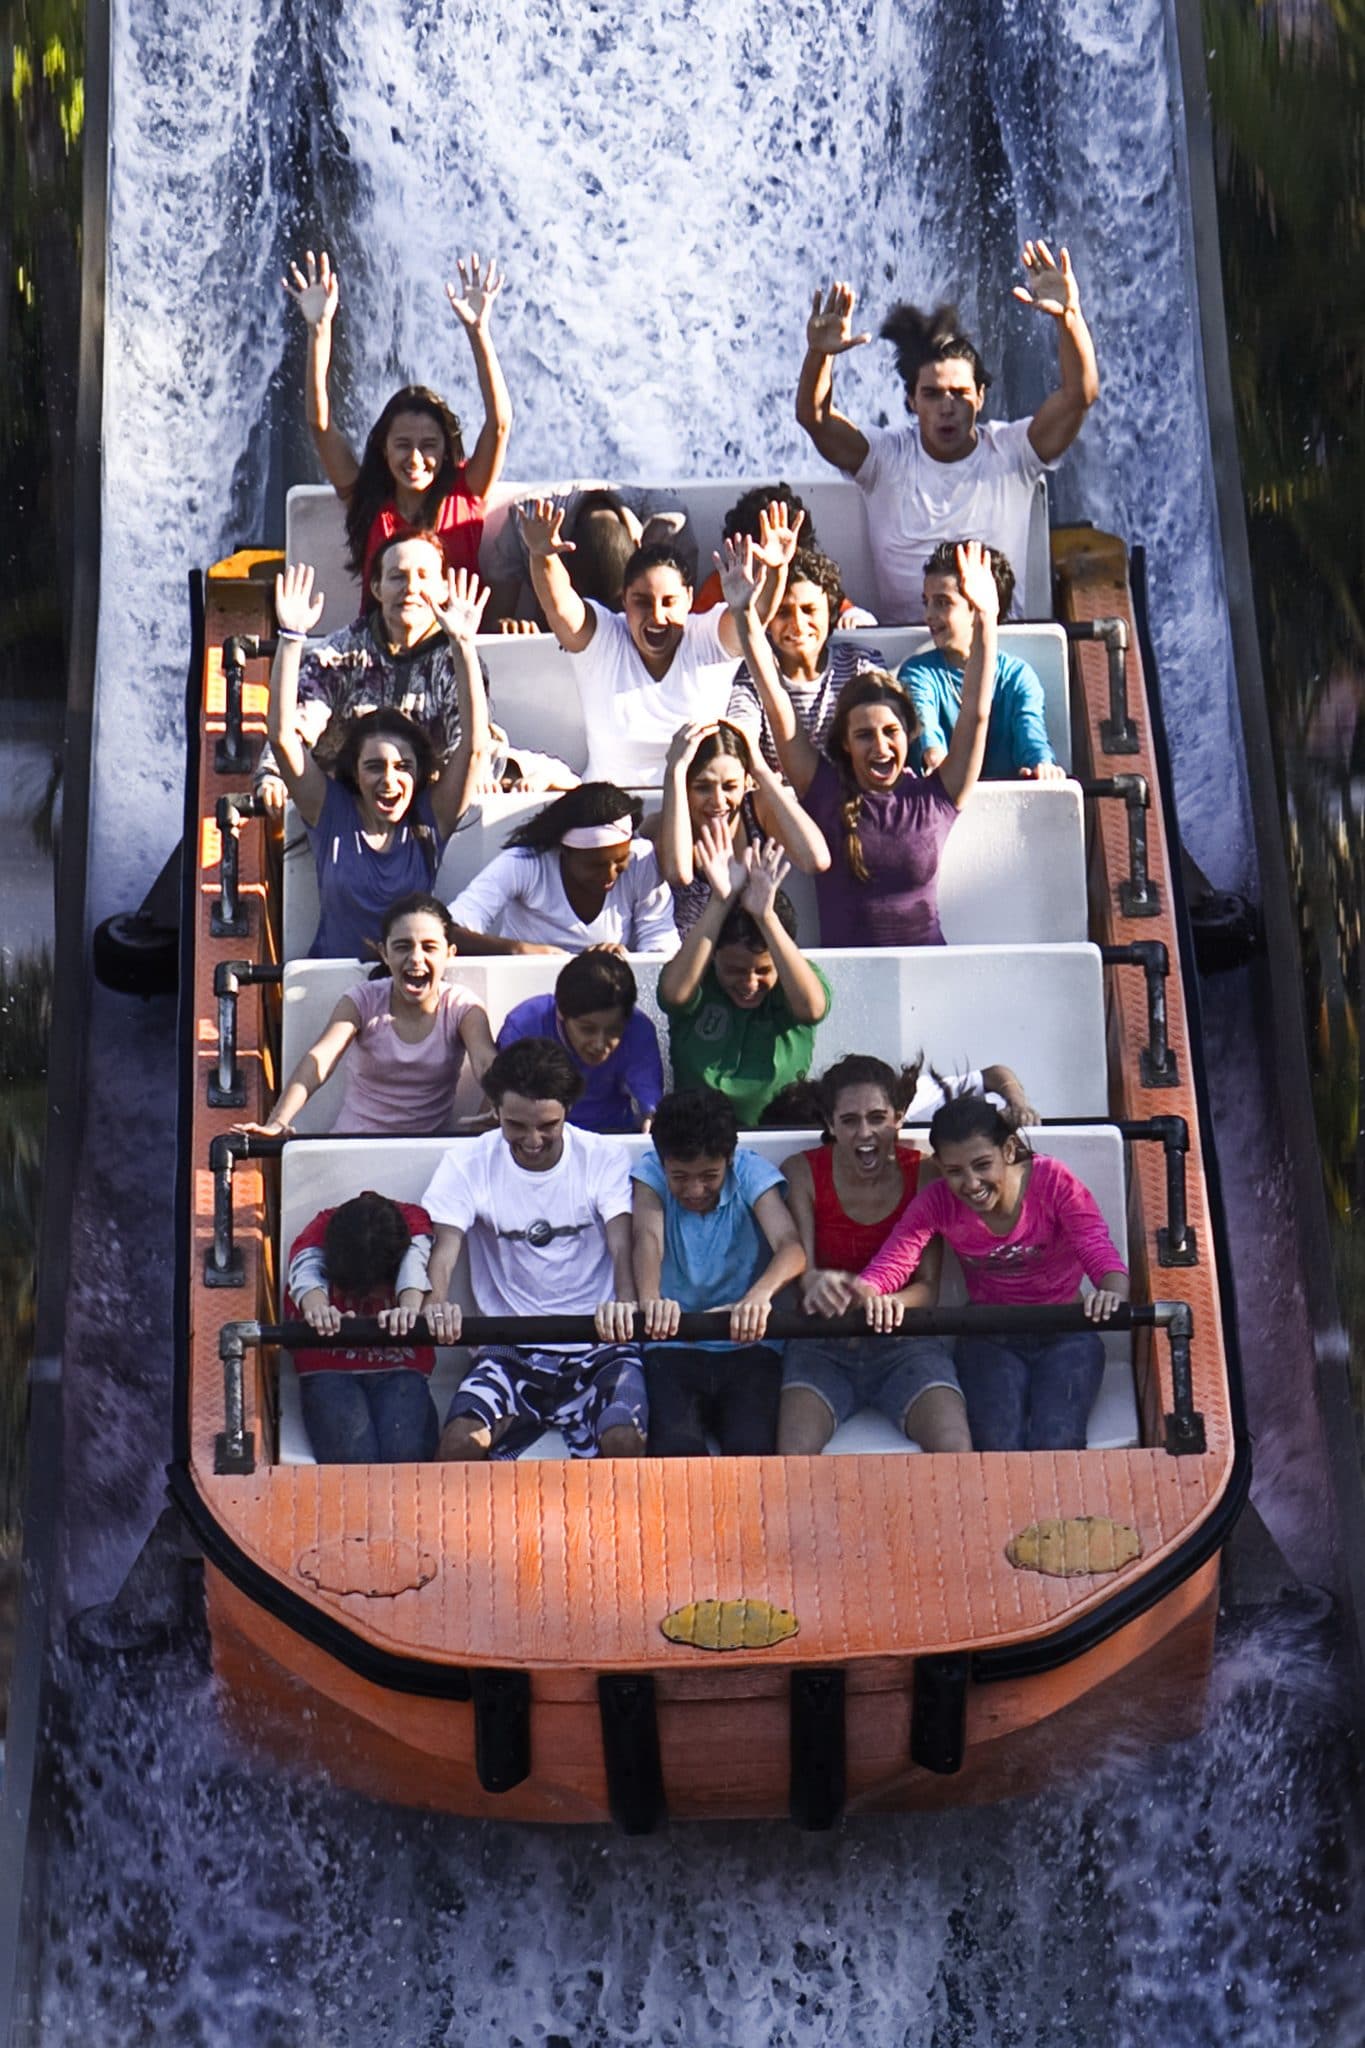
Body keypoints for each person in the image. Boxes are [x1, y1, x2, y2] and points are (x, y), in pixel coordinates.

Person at [795, 242, 1100, 622]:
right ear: (911, 401)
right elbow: (815, 418)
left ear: (981, 397)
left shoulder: (1013, 452)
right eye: (932, 394)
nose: (947, 407)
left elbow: (1079, 395)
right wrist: (819, 355)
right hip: (904, 655)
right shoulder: (886, 458)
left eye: (960, 393)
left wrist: (1069, 317)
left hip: (997, 643)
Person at [723, 535, 1000, 946]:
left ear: (908, 733)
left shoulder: (937, 795)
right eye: (864, 735)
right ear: (846, 744)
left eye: (890, 733)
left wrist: (986, 618)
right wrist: (744, 611)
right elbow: (773, 695)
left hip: (932, 973)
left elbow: (976, 710)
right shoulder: (823, 790)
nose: (880, 747)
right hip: (852, 980)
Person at [850, 1093, 1129, 1452]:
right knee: (996, 1444)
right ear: (940, 1167)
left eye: (982, 1165)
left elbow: (1097, 1249)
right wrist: (867, 1296)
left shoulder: (1054, 1181)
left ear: (1009, 1150)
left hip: (1066, 1331)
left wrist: (1113, 1294)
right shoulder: (937, 1201)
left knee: (1057, 1439)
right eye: (955, 1171)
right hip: (988, 1334)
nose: (970, 1183)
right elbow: (891, 1265)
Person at [421, 1038, 647, 1460]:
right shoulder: (466, 1163)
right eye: (516, 1126)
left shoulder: (602, 1156)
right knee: (457, 1445)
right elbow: (445, 1247)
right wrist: (436, 1302)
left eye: (547, 1125)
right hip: (510, 1349)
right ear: (495, 1110)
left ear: (568, 1111)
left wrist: (625, 1302)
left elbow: (622, 1240)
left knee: (625, 1441)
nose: (532, 1139)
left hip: (599, 1344)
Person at [268, 560, 492, 959]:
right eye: (375, 767)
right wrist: (290, 638)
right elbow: (285, 739)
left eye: (403, 767)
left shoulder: (429, 817)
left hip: (408, 980)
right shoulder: (330, 811)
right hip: (332, 980)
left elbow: (475, 747)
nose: (389, 780)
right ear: (354, 772)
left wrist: (462, 645)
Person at [518, 497, 801, 785]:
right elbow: (560, 606)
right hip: (608, 815)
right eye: (642, 602)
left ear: (689, 600)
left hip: (698, 811)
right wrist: (542, 555)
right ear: (624, 600)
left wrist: (778, 570)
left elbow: (756, 615)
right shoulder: (603, 638)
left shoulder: (706, 636)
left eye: (669, 602)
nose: (657, 616)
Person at [282, 247, 512, 589]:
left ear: (447, 452)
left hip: (452, 637)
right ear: (383, 449)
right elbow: (320, 423)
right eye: (403, 445)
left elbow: (499, 423)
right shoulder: (367, 499)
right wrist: (319, 331)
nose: (416, 458)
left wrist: (479, 331)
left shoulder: (466, 493)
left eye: (429, 446)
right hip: (376, 640)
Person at [776, 1056, 970, 1455]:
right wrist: (814, 1283)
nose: (865, 1133)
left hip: (906, 1342)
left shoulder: (927, 1174)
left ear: (898, 1118)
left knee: (955, 1447)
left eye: (877, 1117)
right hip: (823, 1341)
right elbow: (803, 1271)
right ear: (830, 1125)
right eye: (849, 1121)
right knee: (792, 1456)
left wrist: (886, 1304)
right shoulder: (802, 1172)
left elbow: (927, 1287)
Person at [609, 1088, 804, 1456]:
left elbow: (791, 1246)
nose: (695, 1189)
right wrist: (651, 1301)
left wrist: (757, 1297)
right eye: (680, 1177)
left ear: (729, 1159)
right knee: (675, 1452)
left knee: (751, 1450)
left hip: (749, 1347)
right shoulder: (649, 1174)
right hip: (674, 1346)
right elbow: (647, 1237)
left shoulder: (750, 1171)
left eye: (709, 1176)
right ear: (663, 1162)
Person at [255, 528, 490, 812]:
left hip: (430, 807)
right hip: (344, 806)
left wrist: (478, 777)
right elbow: (297, 723)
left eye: (423, 577)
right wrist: (273, 774)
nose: (411, 588)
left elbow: (469, 741)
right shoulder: (340, 654)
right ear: (377, 588)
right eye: (397, 576)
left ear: (443, 589)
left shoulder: (457, 660)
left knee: (546, 775)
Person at [236, 895, 495, 1138]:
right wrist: (278, 1121)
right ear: (384, 953)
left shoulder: (463, 1007)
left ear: (449, 953)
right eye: (402, 947)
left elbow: (486, 1061)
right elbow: (320, 1060)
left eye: (429, 947)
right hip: (352, 1146)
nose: (416, 958)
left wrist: (500, 1102)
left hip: (424, 1156)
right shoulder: (362, 1000)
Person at [658, 824, 831, 1126]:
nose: (750, 984)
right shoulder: (696, 975)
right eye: (735, 970)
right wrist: (720, 902)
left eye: (763, 970)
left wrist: (766, 917)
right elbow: (673, 995)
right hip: (698, 1138)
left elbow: (812, 1008)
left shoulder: (795, 980)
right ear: (714, 960)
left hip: (782, 1132)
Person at [286, 1191, 439, 1463]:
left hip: (399, 1366)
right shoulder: (319, 1229)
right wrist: (319, 1310)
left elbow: (415, 1262)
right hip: (328, 1369)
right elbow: (306, 1272)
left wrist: (409, 1309)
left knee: (405, 1453)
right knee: (354, 1457)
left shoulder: (413, 1222)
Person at [448, 783, 679, 956]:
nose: (610, 875)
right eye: (595, 865)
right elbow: (447, 931)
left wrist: (624, 961)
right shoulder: (522, 863)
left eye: (620, 860)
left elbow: (662, 946)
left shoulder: (643, 861)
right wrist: (521, 950)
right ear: (564, 851)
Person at [899, 542, 1064, 781]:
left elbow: (1032, 736)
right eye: (927, 602)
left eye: (943, 602)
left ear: (978, 608)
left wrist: (1042, 766)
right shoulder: (917, 673)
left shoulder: (1017, 677)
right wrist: (935, 758)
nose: (929, 615)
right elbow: (929, 740)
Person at [655, 718, 829, 937]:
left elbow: (816, 859)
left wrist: (761, 770)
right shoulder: (662, 825)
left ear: (746, 781)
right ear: (685, 787)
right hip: (695, 963)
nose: (718, 801)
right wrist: (675, 771)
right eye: (702, 788)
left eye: (730, 786)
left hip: (757, 962)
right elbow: (678, 874)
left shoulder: (758, 809)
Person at [723, 544, 887, 775]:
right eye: (783, 612)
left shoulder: (861, 664)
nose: (798, 625)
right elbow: (741, 738)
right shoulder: (752, 675)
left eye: (809, 610)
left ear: (830, 612)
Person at [496, 951, 663, 1133]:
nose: (600, 1044)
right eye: (587, 1029)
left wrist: (652, 1119)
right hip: (539, 1137)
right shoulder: (524, 1026)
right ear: (560, 1012)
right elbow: (506, 1101)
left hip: (611, 1135)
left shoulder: (639, 1029)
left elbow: (651, 1104)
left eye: (614, 1030)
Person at [480, 485, 694, 625]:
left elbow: (682, 616)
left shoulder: (670, 525)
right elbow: (494, 618)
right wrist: (508, 629)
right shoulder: (524, 524)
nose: (603, 624)